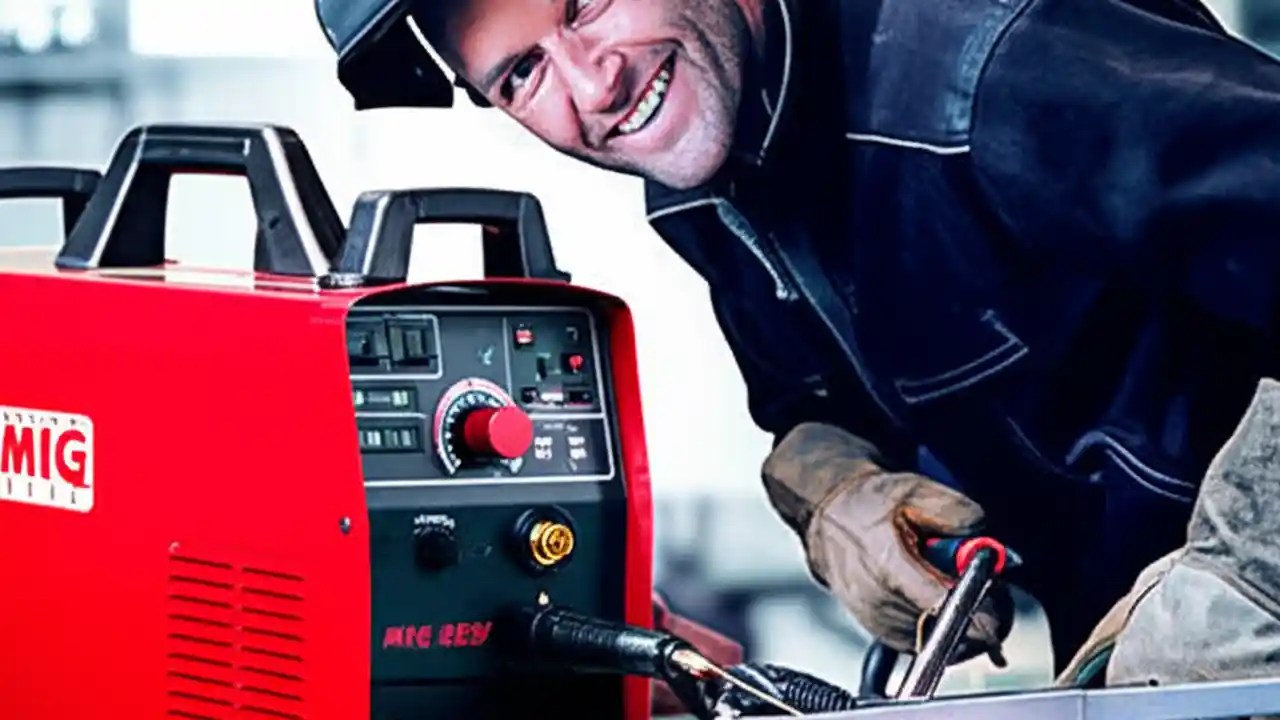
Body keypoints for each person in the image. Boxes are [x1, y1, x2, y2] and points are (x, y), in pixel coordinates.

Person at [313, 0, 1280, 683]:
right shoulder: (708, 143)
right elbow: (817, 389)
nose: (592, 84)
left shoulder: (996, 62)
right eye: (522, 72)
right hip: (1147, 665)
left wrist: (1252, 566)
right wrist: (835, 484)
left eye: (586, 2)